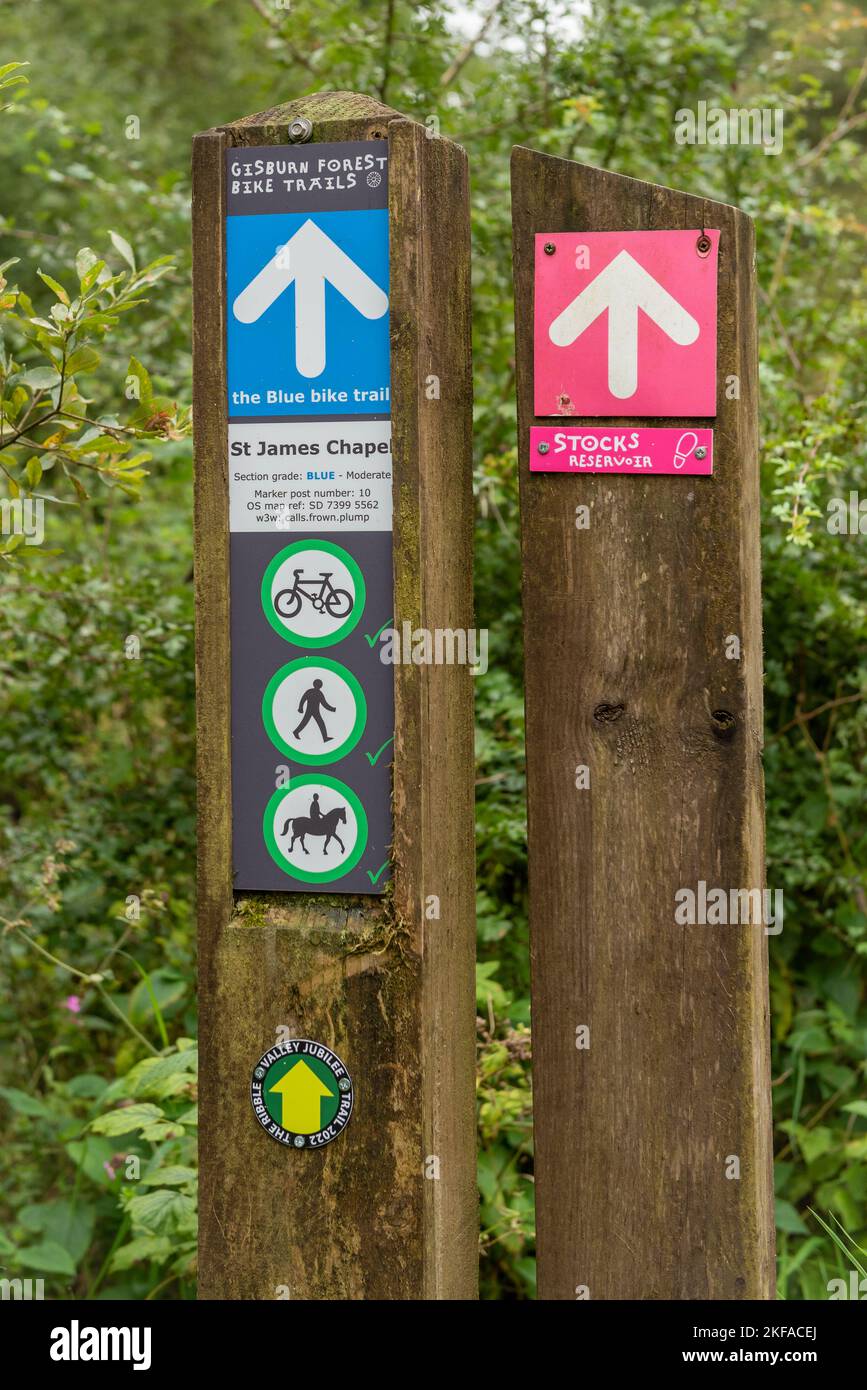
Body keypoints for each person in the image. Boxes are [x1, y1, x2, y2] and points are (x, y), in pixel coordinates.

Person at [293, 678, 336, 742]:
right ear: (320, 685)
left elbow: (303, 699)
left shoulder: (311, 691)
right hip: (312, 710)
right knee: (310, 722)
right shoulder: (317, 693)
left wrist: (300, 707)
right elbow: (324, 704)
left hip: (314, 711)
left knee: (312, 722)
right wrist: (332, 709)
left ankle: (325, 738)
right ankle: (325, 737)